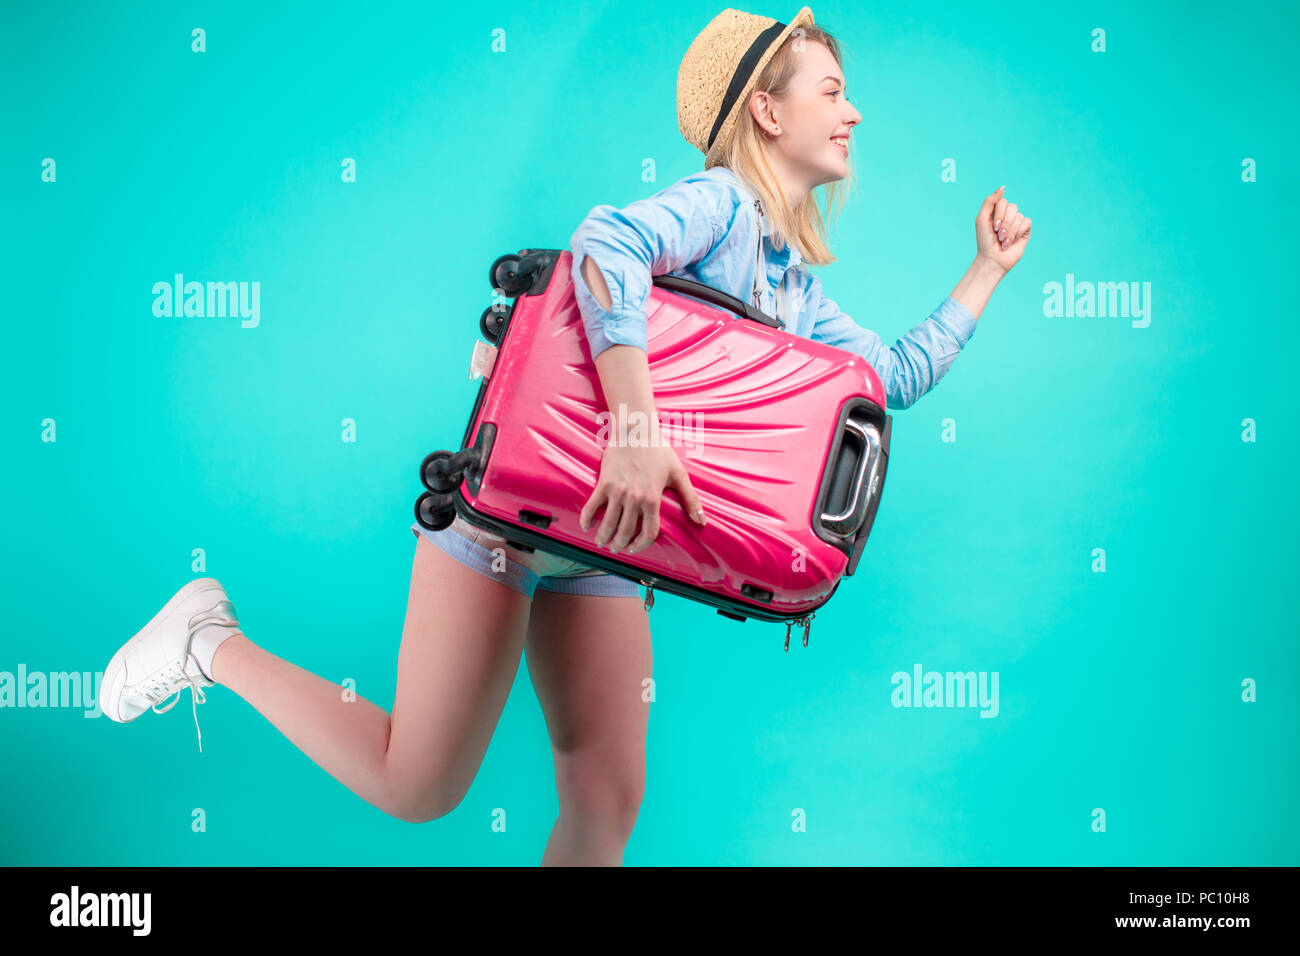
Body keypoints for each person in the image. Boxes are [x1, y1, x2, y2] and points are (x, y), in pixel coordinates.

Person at [98, 5, 1031, 867]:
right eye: (832, 92)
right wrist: (635, 427)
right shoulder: (719, 205)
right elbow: (604, 247)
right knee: (418, 786)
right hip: (513, 513)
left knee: (605, 799)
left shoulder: (793, 288)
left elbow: (888, 380)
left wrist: (985, 270)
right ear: (767, 115)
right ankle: (208, 640)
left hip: (601, 543)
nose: (854, 114)